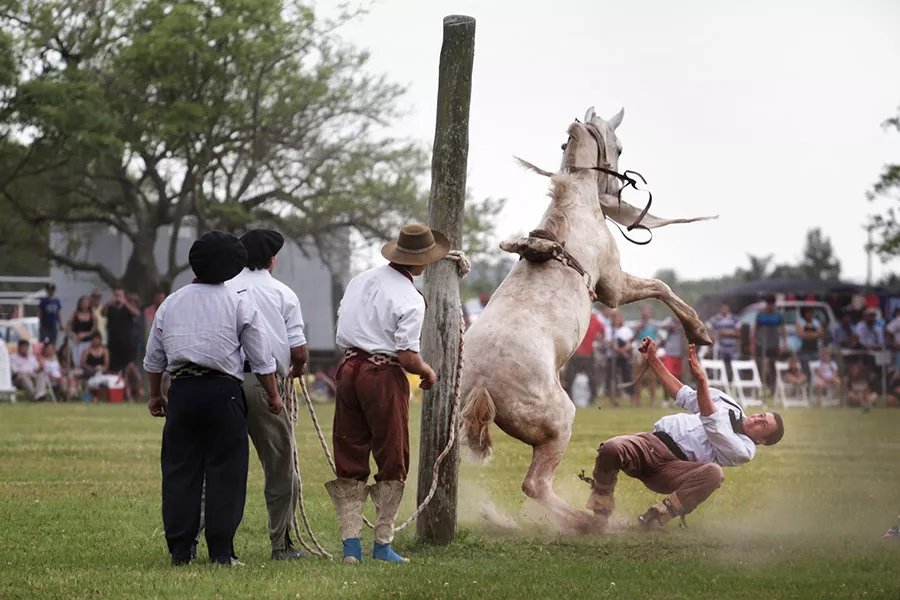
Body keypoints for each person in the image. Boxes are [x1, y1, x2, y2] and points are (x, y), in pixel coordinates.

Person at [143, 230, 282, 567]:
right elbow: (261, 359)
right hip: (223, 393)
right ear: (233, 268)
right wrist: (274, 396)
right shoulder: (238, 302)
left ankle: (181, 550)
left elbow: (153, 358)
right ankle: (221, 552)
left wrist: (155, 395)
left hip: (183, 391)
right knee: (226, 471)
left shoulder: (172, 302)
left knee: (180, 470)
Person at [325, 224, 445, 565]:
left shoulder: (360, 280)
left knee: (349, 452)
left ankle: (350, 548)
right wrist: (427, 371)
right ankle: (382, 545)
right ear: (421, 262)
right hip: (381, 374)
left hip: (348, 369)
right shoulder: (410, 298)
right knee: (392, 454)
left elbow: (343, 325)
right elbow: (407, 357)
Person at [583, 337, 784, 530]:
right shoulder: (731, 404)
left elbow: (713, 424)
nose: (757, 418)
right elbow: (684, 395)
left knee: (714, 473)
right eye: (761, 415)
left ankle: (655, 517)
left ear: (761, 440)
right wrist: (654, 359)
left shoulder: (745, 450)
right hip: (651, 443)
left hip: (673, 469)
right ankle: (600, 514)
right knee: (611, 448)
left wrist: (702, 380)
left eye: (763, 425)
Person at [222, 228, 309, 561]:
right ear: (272, 260)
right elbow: (298, 350)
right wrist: (296, 371)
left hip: (226, 382)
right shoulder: (283, 293)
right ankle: (280, 545)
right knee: (280, 467)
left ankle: (208, 540)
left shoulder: (224, 287)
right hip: (266, 384)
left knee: (220, 465)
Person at [562, 307, 605, 406]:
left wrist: (598, 339)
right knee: (574, 378)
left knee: (576, 377)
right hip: (579, 354)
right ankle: (588, 398)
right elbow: (603, 331)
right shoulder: (589, 319)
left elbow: (602, 331)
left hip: (583, 354)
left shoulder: (587, 319)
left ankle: (589, 398)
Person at [751, 295, 786, 395]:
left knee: (773, 367)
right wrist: (753, 343)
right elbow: (755, 328)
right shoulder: (761, 314)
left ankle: (772, 388)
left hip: (774, 345)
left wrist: (784, 343)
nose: (769, 306)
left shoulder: (778, 315)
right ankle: (761, 386)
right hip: (761, 344)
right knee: (760, 366)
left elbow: (783, 330)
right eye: (768, 304)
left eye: (771, 304)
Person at [103, 288, 140, 376]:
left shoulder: (127, 307)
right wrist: (109, 301)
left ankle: (129, 385)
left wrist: (125, 302)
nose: (118, 298)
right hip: (113, 342)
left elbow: (137, 314)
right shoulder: (111, 308)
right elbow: (102, 313)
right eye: (116, 295)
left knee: (128, 366)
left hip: (126, 342)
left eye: (119, 295)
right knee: (113, 367)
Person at [633, 305, 660, 406]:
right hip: (639, 351)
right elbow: (633, 338)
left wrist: (655, 346)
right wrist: (637, 330)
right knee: (637, 377)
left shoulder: (653, 325)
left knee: (652, 377)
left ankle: (653, 399)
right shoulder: (638, 325)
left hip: (650, 351)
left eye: (647, 311)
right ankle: (637, 399)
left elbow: (659, 338)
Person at [708, 302, 739, 381]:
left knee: (734, 366)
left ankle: (734, 382)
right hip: (721, 347)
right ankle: (720, 383)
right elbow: (707, 326)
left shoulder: (733, 318)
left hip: (731, 347)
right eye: (723, 308)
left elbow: (738, 332)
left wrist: (726, 332)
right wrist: (713, 337)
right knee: (719, 367)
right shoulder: (716, 318)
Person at [611, 311, 635, 405]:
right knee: (614, 377)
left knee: (628, 376)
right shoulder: (611, 330)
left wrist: (623, 350)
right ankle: (614, 398)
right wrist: (619, 350)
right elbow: (611, 343)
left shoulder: (626, 330)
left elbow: (630, 343)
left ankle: (632, 398)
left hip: (625, 357)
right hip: (614, 357)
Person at [67, 296, 97, 370]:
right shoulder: (75, 313)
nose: (84, 304)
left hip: (87, 341)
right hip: (76, 340)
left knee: (85, 359)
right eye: (83, 302)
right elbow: (68, 326)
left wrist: (85, 334)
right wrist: (74, 335)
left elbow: (94, 328)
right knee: (76, 359)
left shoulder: (92, 315)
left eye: (86, 302)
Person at [660, 318, 685, 408]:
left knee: (679, 378)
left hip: (680, 354)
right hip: (669, 353)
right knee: (667, 377)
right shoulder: (670, 320)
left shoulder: (684, 323)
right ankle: (666, 399)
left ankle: (678, 400)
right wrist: (671, 326)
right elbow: (661, 327)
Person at [795, 307, 823, 380]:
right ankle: (807, 381)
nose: (809, 315)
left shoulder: (817, 322)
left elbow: (820, 334)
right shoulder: (800, 322)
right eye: (808, 313)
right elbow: (801, 335)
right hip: (804, 351)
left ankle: (818, 383)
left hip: (815, 350)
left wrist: (807, 334)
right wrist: (814, 334)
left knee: (819, 367)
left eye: (811, 313)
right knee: (805, 368)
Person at [38, 283, 63, 347]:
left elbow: (58, 313)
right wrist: (40, 324)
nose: (51, 291)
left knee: (53, 344)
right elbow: (40, 313)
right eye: (49, 290)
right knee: (42, 343)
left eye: (52, 290)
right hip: (44, 326)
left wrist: (60, 324)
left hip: (53, 326)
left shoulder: (57, 301)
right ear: (47, 291)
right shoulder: (43, 301)